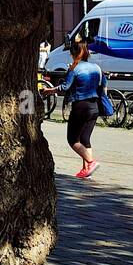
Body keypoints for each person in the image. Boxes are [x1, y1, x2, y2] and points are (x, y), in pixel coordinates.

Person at [49, 39, 106, 178]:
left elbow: (65, 87)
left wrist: (49, 90)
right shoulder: (97, 68)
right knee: (85, 138)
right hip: (95, 106)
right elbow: (103, 86)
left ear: (74, 53)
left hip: (80, 106)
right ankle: (86, 171)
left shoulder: (74, 68)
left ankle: (91, 162)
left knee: (73, 139)